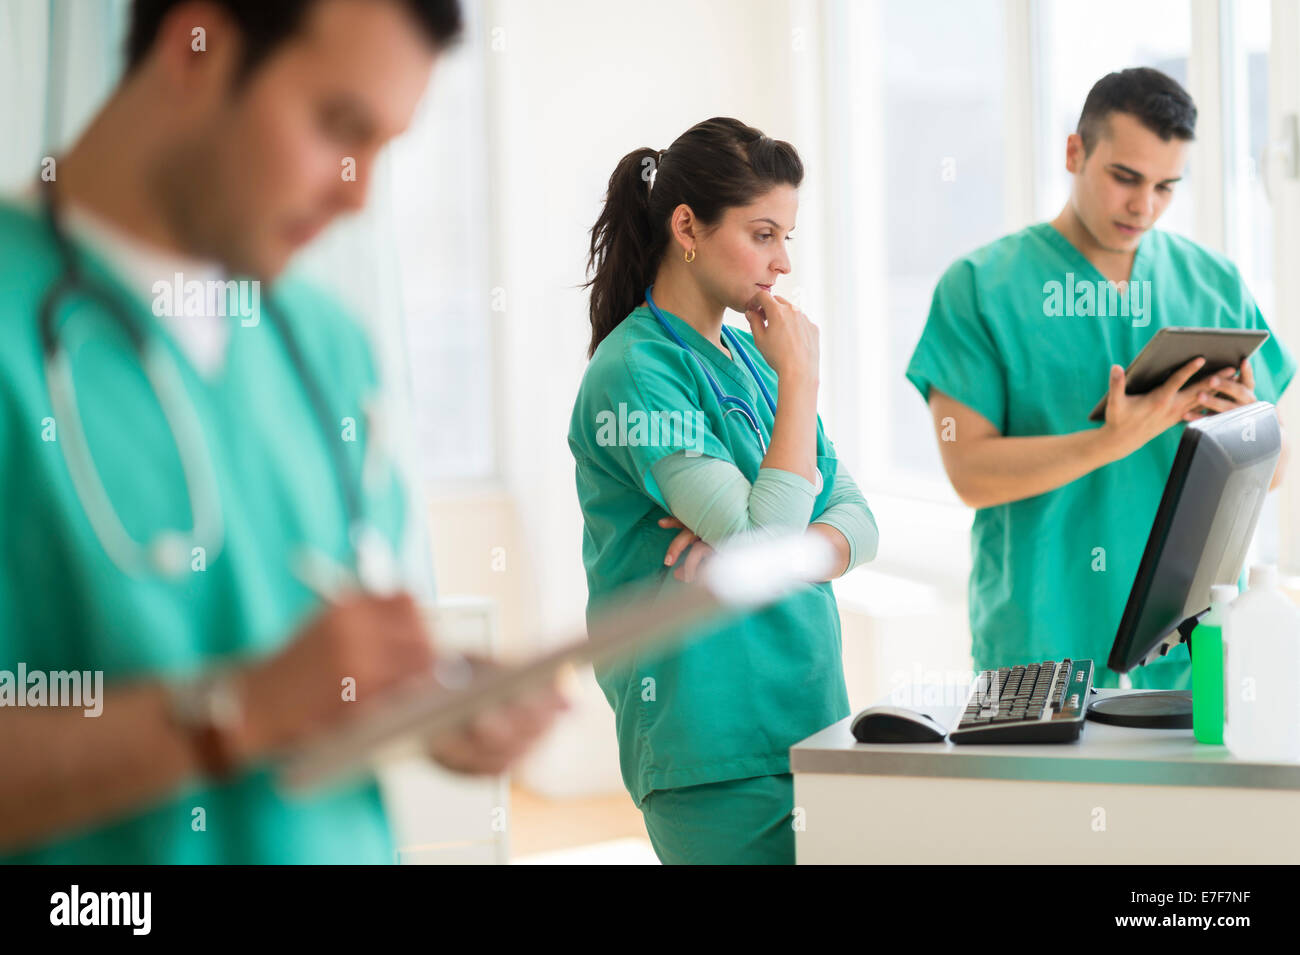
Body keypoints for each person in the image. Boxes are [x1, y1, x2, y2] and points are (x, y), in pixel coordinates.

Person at [0, 0, 564, 864]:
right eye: (340, 125)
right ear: (198, 51)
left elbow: (311, 656)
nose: (358, 193)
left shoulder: (324, 344)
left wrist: (435, 705)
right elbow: (269, 693)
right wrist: (240, 710)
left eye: (384, 147)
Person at [905, 67, 1296, 689]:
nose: (1145, 206)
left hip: (1193, 652)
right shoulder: (980, 287)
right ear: (1074, 152)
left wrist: (1244, 428)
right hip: (1040, 645)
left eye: (1167, 186)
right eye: (1125, 178)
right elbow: (970, 473)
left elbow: (1275, 473)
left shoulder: (1214, 284)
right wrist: (1112, 441)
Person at [569, 117, 879, 865]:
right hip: (711, 742)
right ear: (688, 227)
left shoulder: (754, 356)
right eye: (763, 233)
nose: (782, 264)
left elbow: (862, 522)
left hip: (807, 719)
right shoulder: (638, 372)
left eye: (788, 238)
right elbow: (768, 539)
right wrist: (802, 381)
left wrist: (774, 545)